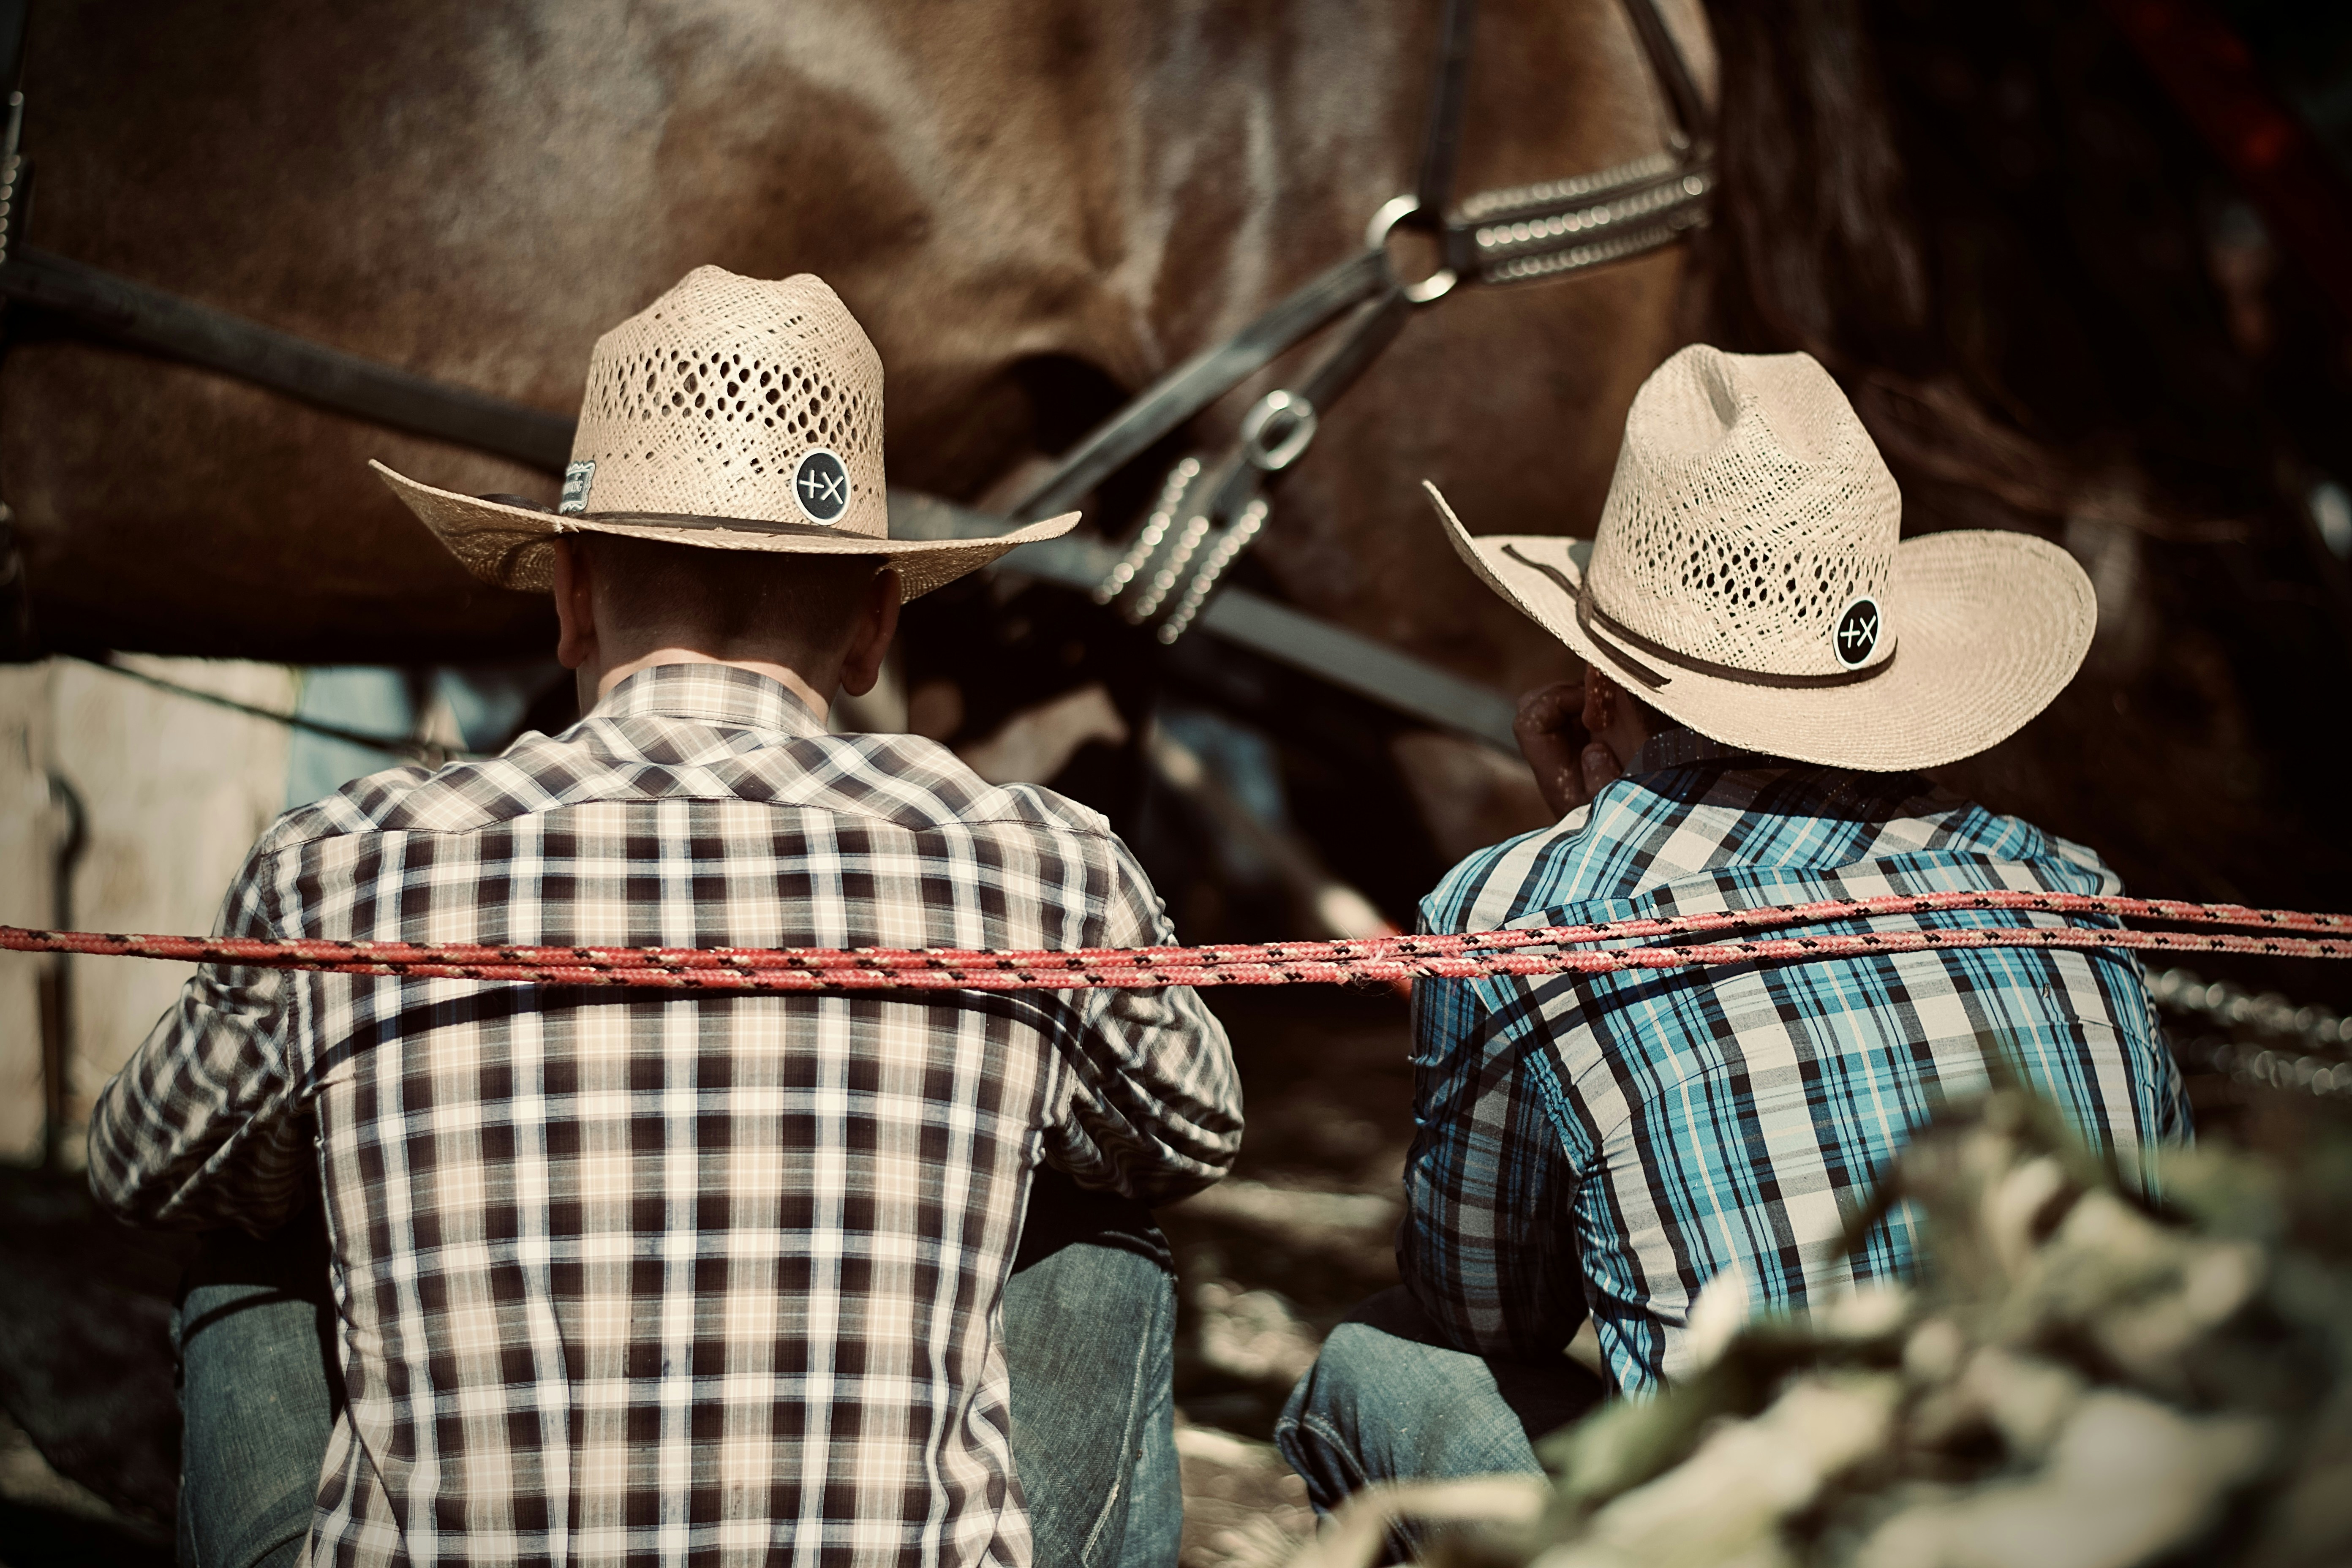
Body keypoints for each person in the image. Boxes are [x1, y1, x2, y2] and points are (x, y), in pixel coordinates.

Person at [85, 266, 1243, 1568]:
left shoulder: (346, 865)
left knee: (247, 1247)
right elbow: (1191, 1131)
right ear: (872, 630)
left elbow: (141, 1167)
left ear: (572, 597)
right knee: (1108, 1244)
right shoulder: (1040, 871)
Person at [1276, 344, 2190, 1527]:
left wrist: (1581, 842)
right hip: (2113, 1523)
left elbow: (1486, 1313)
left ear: (1599, 698)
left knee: (1380, 1369)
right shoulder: (2062, 884)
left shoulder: (1511, 915)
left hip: (1773, 1541)